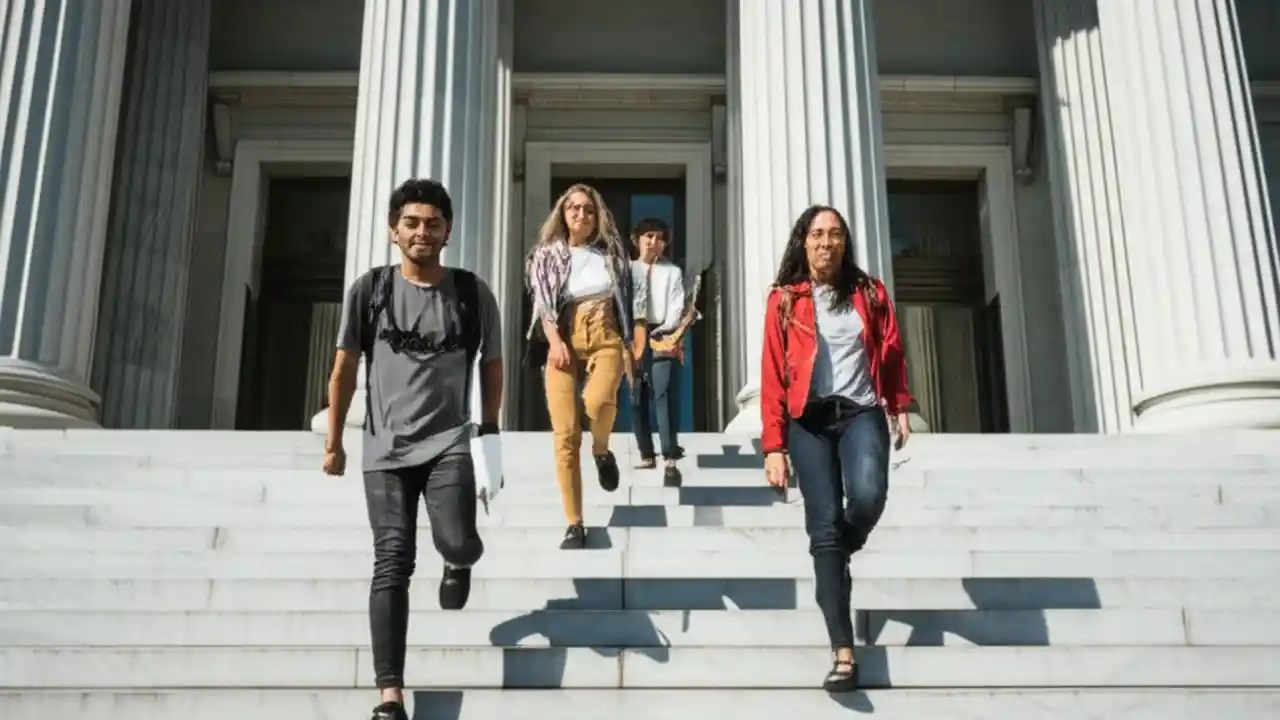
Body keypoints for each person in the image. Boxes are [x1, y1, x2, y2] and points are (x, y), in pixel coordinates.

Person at [322, 178, 504, 720]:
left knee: (460, 541)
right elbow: (344, 369)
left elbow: (491, 365)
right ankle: (389, 695)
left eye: (432, 223)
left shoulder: (472, 292)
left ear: (448, 231)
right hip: (384, 448)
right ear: (393, 230)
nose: (422, 231)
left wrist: (489, 430)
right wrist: (334, 441)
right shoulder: (370, 290)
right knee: (392, 561)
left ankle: (459, 561)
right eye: (412, 223)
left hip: (449, 441)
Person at [759, 204, 912, 693]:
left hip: (862, 411)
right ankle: (843, 652)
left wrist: (899, 403)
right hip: (808, 420)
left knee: (867, 498)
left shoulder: (870, 293)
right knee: (822, 525)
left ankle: (838, 549)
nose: (826, 242)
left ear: (845, 243)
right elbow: (772, 375)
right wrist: (773, 446)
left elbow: (890, 350)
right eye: (817, 234)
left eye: (835, 234)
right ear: (803, 241)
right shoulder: (785, 300)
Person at [524, 183, 637, 550]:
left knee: (598, 403)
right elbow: (543, 305)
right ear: (563, 213)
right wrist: (555, 343)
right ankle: (575, 523)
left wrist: (633, 341)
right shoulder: (547, 254)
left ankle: (602, 451)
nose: (581, 215)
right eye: (574, 208)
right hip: (564, 333)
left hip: (605, 330)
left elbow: (629, 301)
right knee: (566, 434)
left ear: (598, 215)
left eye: (588, 209)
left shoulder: (613, 254)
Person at [629, 217, 689, 486]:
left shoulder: (672, 271)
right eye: (648, 236)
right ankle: (645, 452)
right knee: (636, 396)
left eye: (659, 237)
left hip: (662, 334)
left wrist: (664, 330)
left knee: (663, 395)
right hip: (633, 336)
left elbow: (677, 306)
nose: (653, 242)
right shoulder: (627, 270)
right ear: (637, 239)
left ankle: (669, 458)